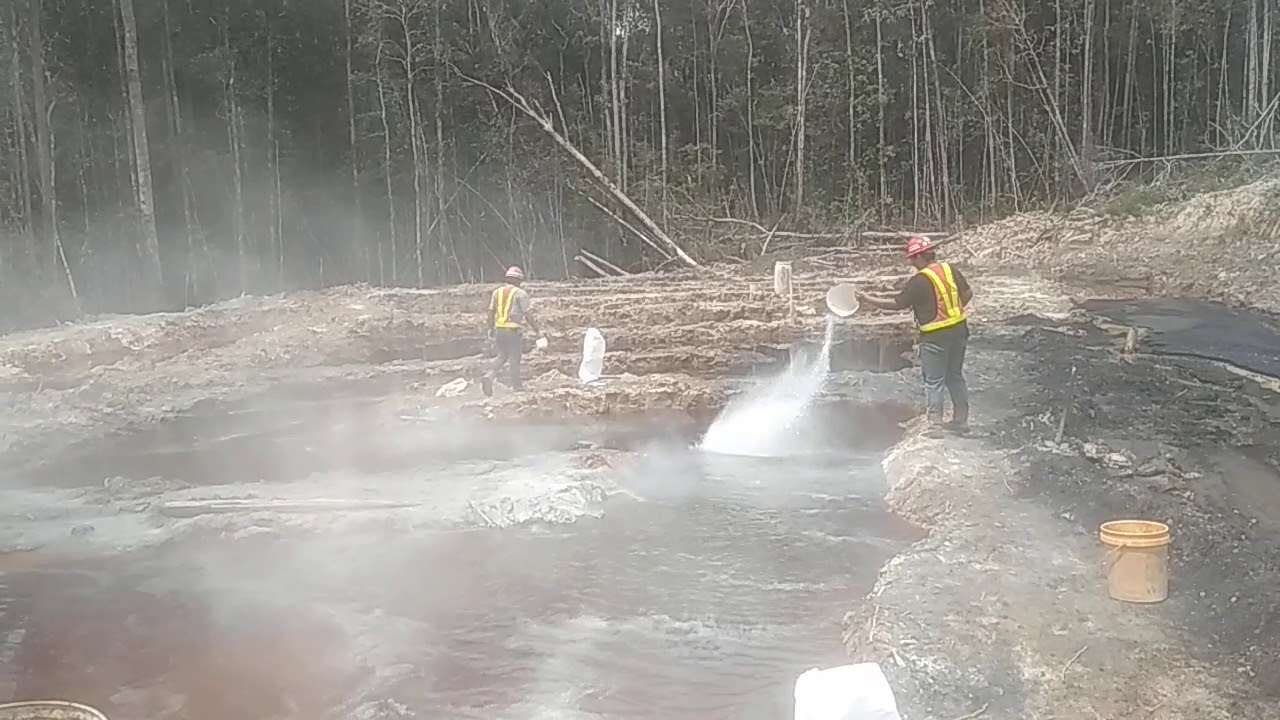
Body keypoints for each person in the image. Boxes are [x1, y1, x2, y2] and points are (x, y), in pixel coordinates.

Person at [857, 236, 973, 434]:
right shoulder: (949, 269)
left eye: (912, 258)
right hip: (959, 331)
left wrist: (868, 299)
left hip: (935, 336)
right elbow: (968, 293)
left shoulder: (919, 280)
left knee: (934, 380)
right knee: (954, 376)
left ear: (920, 256)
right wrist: (953, 310)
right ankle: (961, 420)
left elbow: (897, 304)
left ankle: (935, 424)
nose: (910, 262)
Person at [481, 265, 541, 396]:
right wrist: (536, 329)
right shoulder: (520, 294)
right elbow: (528, 314)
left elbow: (490, 312)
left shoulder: (497, 292)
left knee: (502, 355)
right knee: (515, 359)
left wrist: (490, 328)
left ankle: (489, 374)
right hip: (513, 331)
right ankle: (517, 387)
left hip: (500, 330)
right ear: (518, 281)